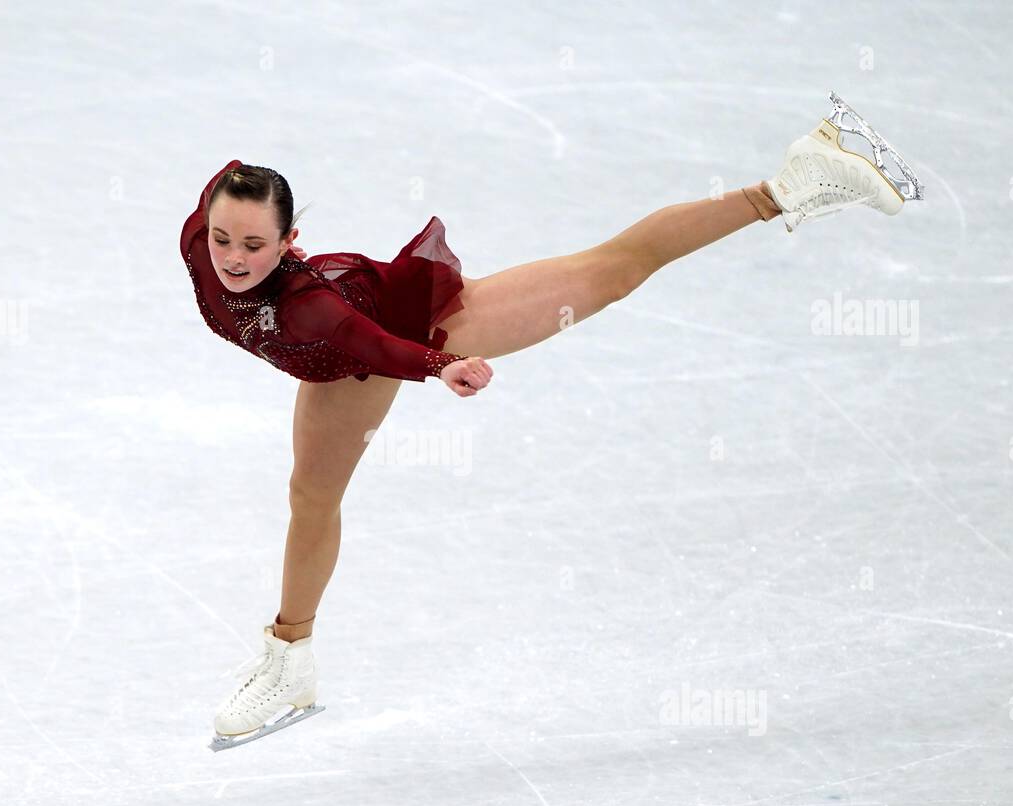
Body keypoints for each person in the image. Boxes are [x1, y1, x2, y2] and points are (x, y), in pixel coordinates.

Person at [184, 92, 922, 750]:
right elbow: (232, 191)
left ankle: (789, 184)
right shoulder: (199, 241)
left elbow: (370, 346)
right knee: (311, 498)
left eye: (255, 244)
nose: (234, 259)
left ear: (290, 244)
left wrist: (441, 365)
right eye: (223, 238)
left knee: (611, 270)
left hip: (408, 330)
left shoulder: (309, 305)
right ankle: (291, 662)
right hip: (338, 363)